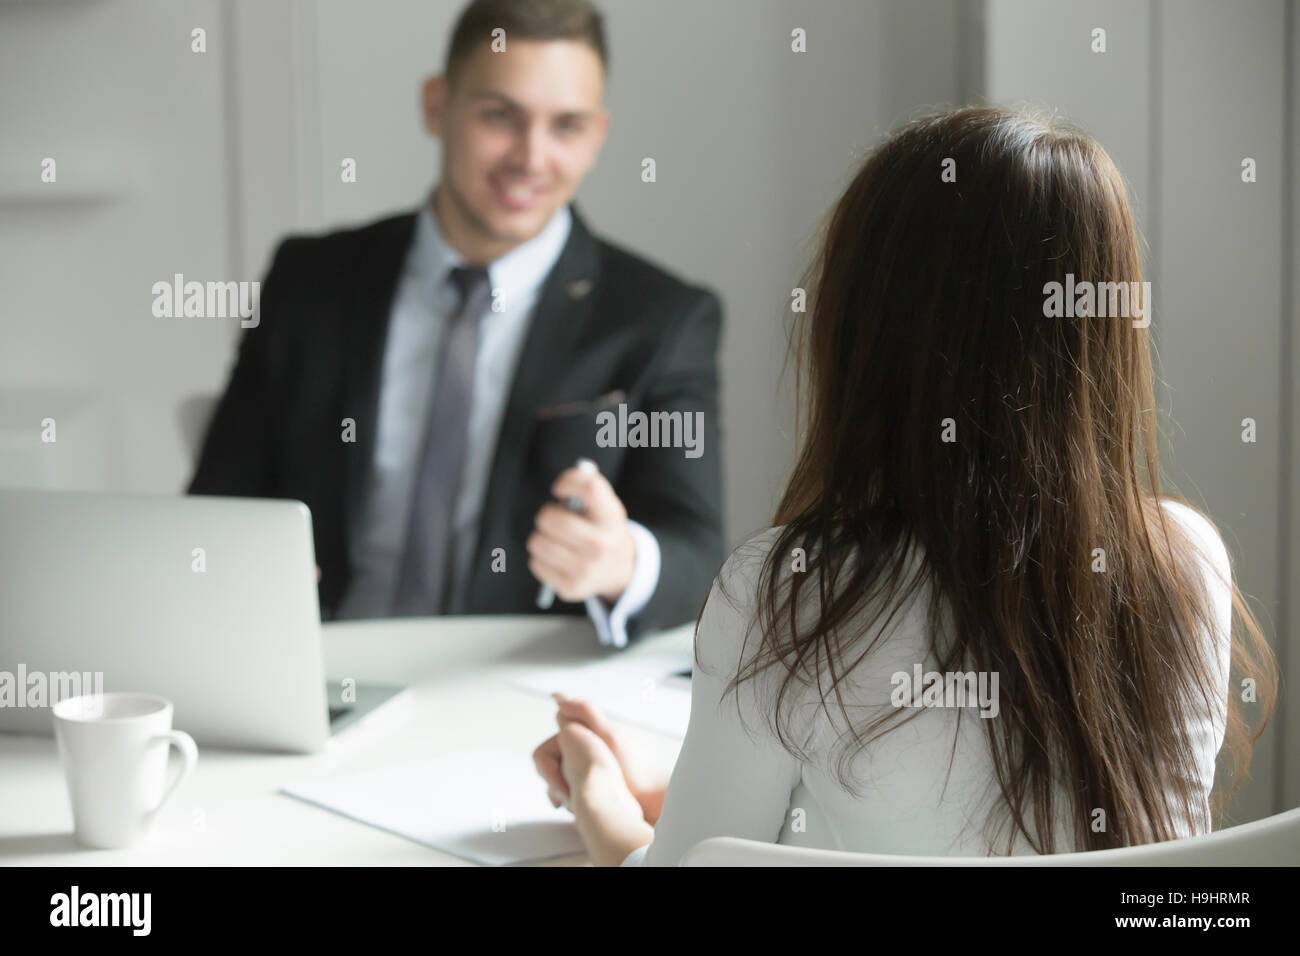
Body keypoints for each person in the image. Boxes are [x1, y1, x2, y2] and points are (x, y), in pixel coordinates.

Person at [532, 106, 1278, 864]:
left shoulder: (788, 591)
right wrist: (671, 781)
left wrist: (600, 799)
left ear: (862, 330)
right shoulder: (1185, 563)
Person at [188, 0, 724, 647]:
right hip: (318, 669)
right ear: (437, 106)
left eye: (567, 126)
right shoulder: (309, 281)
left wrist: (622, 562)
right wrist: (236, 572)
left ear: (598, 135)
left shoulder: (660, 317)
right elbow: (216, 510)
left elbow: (695, 553)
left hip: (516, 697)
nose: (532, 157)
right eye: (501, 116)